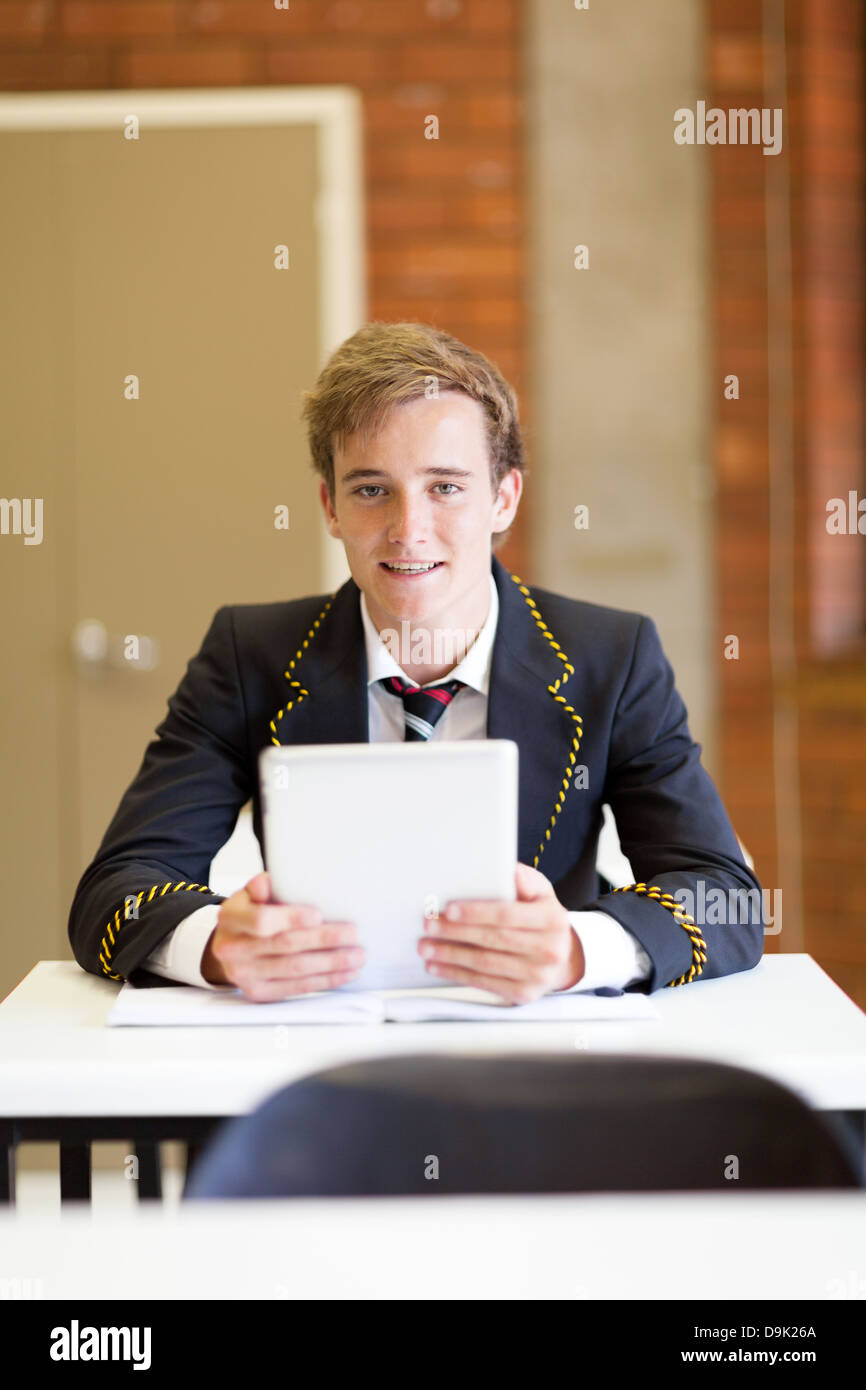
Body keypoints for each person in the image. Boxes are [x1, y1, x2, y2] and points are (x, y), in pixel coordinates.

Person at [68, 321, 764, 1003]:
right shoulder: (249, 655)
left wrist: (580, 950)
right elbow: (117, 887)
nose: (409, 530)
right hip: (316, 1066)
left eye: (446, 486)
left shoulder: (611, 658)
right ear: (329, 506)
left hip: (543, 1067)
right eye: (372, 488)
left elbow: (724, 895)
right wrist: (216, 946)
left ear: (503, 498)